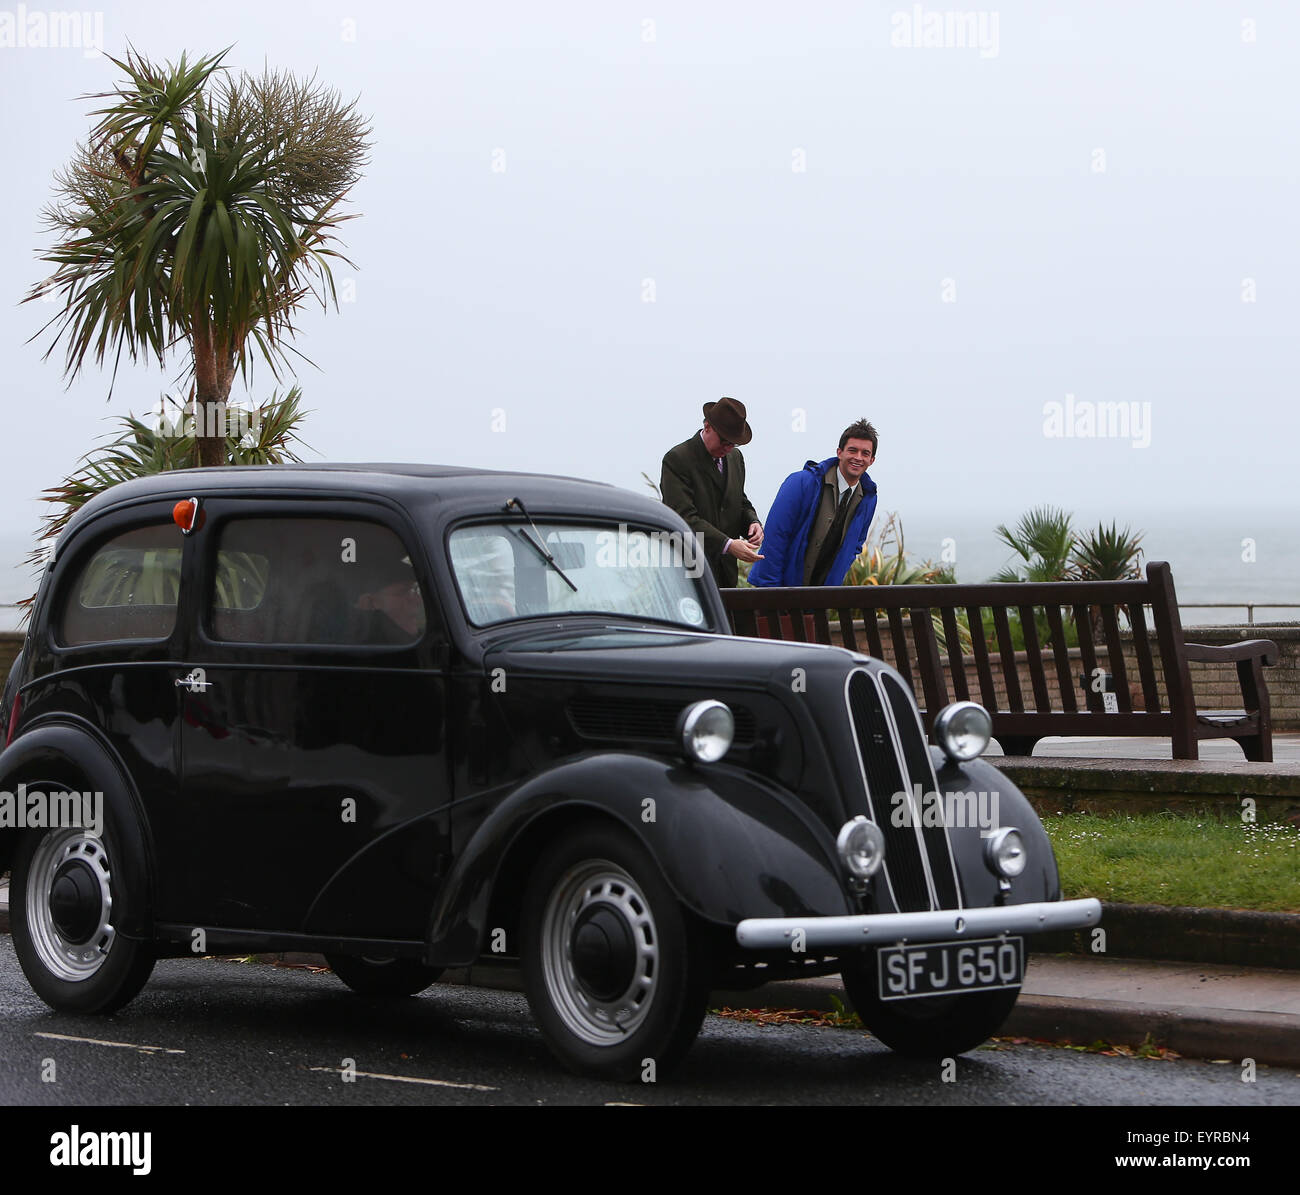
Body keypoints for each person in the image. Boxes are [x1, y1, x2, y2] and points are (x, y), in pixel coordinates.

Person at [747, 419, 878, 587]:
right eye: (852, 450)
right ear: (839, 452)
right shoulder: (801, 482)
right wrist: (773, 592)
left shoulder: (868, 498)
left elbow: (855, 546)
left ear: (872, 460)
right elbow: (776, 537)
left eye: (865, 453)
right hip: (777, 594)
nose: (858, 458)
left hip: (820, 600)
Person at [660, 397, 764, 587]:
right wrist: (728, 544)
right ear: (707, 427)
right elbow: (683, 518)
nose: (728, 448)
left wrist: (752, 522)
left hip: (726, 574)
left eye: (734, 444)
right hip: (689, 572)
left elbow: (739, 501)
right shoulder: (677, 459)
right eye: (724, 441)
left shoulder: (735, 458)